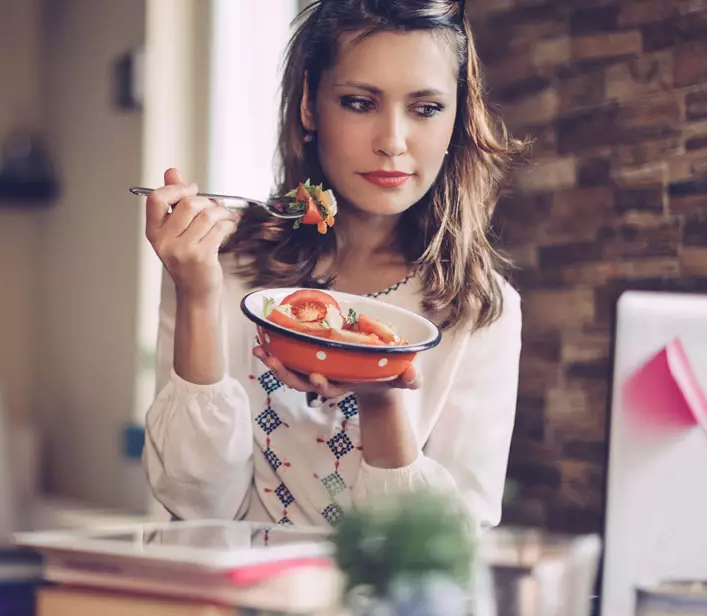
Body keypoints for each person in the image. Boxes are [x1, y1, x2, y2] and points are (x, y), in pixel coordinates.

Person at [141, 0, 523, 532]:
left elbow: (446, 550)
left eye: (426, 108)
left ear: (458, 116)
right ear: (308, 106)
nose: (392, 141)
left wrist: (382, 397)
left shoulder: (482, 307)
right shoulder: (217, 264)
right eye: (359, 102)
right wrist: (199, 297)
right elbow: (197, 506)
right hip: (235, 607)